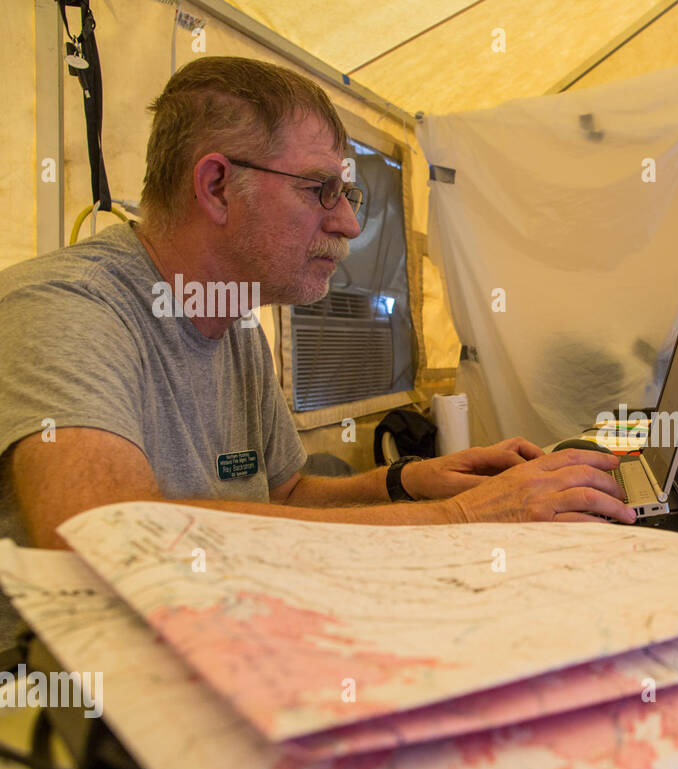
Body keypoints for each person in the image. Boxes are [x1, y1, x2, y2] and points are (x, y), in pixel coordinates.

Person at [0, 57, 635, 647]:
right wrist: (465, 515)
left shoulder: (238, 327)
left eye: (347, 194)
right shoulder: (66, 307)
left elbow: (286, 495)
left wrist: (408, 481)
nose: (350, 225)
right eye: (319, 189)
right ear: (217, 186)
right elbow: (96, 537)